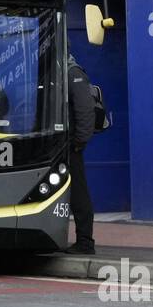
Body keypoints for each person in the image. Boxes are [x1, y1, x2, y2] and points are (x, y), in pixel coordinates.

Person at [65, 56, 97, 254]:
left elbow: (85, 110)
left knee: (78, 192)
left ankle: (85, 241)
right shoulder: (58, 70)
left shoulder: (73, 72)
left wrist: (79, 142)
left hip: (71, 145)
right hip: (58, 144)